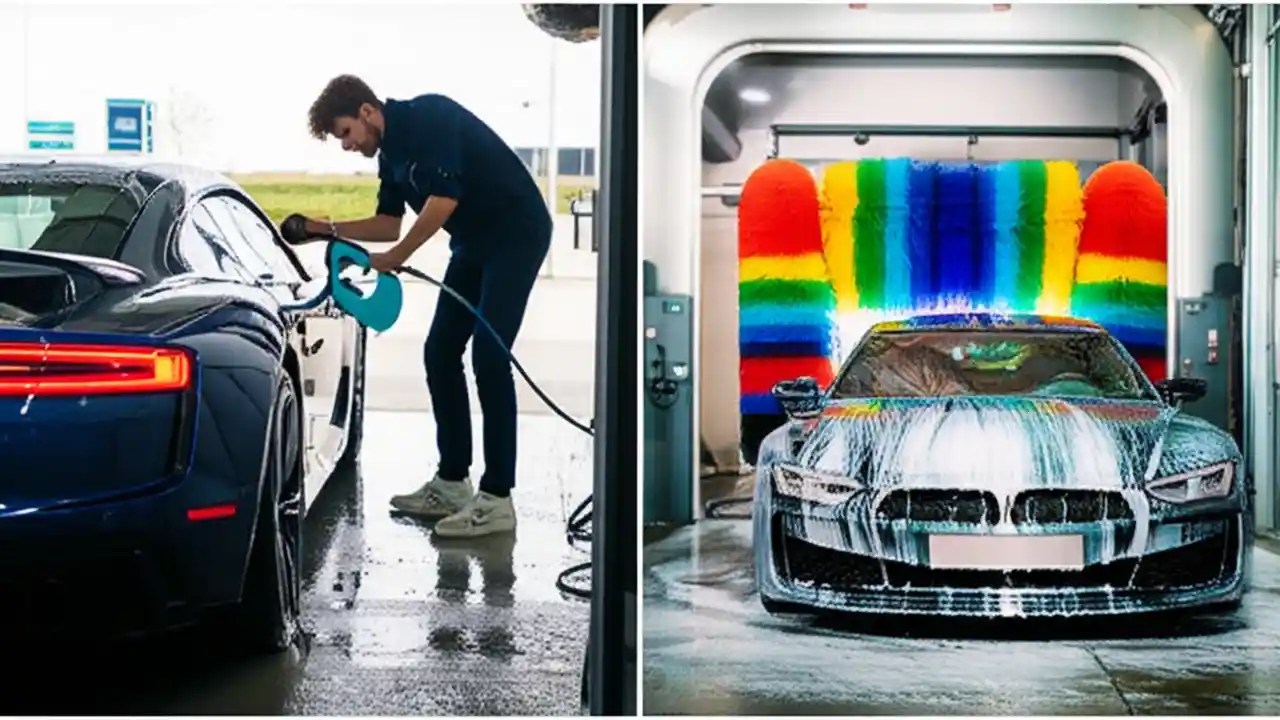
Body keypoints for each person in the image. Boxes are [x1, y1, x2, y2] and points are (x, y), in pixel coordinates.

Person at [295, 74, 552, 538]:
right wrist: (323, 228)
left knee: (489, 357)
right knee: (439, 352)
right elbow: (388, 224)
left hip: (517, 232)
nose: (347, 145)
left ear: (368, 112)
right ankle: (453, 482)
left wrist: (397, 260)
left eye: (347, 133)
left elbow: (443, 200)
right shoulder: (390, 156)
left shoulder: (429, 117)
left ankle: (497, 498)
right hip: (473, 243)